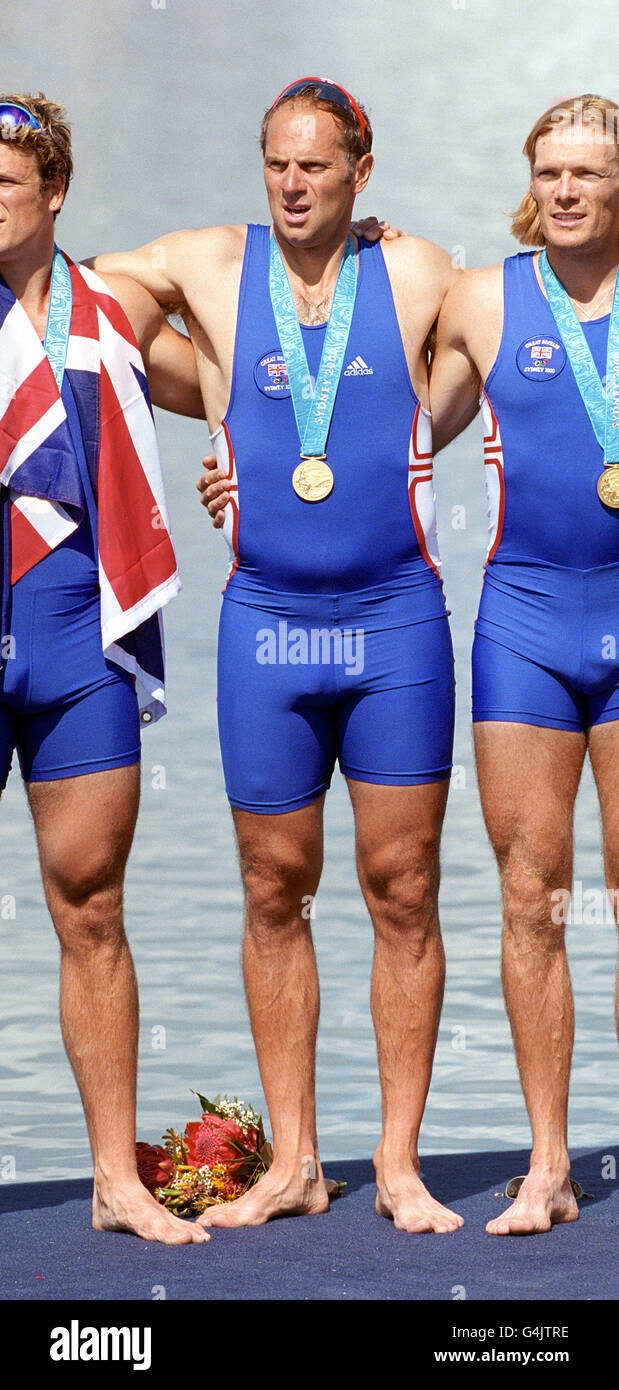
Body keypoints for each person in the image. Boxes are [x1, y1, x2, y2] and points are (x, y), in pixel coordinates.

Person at [91, 78, 464, 1233]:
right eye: (276, 165)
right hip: (267, 623)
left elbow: (506, 353)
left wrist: (408, 447)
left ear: (362, 169)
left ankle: (396, 1163)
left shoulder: (415, 270)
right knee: (270, 888)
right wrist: (210, 402)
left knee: (401, 889)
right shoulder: (207, 261)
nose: (293, 186)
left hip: (395, 619)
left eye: (315, 167)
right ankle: (295, 1160)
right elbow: (86, 286)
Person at [0, 94, 209, 1243]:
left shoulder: (109, 311)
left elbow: (232, 387)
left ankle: (117, 1181)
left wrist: (252, 466)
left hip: (78, 639)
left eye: (2, 183)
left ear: (55, 193)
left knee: (92, 903)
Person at [428, 92, 619, 1235]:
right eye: (546, 172)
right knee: (530, 897)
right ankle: (547, 1165)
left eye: (585, 175)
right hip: (525, 629)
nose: (561, 191)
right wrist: (245, 475)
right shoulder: (484, 299)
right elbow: (394, 434)